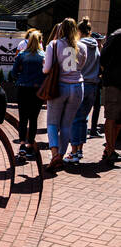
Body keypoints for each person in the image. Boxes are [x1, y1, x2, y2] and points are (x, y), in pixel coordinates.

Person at [43, 18, 88, 169]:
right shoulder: (82, 46)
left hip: (59, 87)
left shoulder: (54, 45)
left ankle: (55, 153)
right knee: (67, 124)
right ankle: (61, 155)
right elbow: (82, 66)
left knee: (52, 122)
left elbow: (46, 69)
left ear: (61, 29)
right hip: (77, 87)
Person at [68, 19, 101, 163]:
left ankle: (74, 152)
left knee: (75, 119)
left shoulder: (79, 45)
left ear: (79, 32)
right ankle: (80, 150)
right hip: (93, 86)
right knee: (83, 119)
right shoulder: (97, 46)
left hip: (81, 84)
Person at [11, 29, 46, 158]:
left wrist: (22, 74)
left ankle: (21, 144)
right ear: (40, 42)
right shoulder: (44, 56)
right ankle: (30, 145)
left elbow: (14, 73)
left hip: (23, 88)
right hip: (37, 90)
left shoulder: (21, 55)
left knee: (23, 117)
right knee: (34, 118)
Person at [102, 24, 121, 163]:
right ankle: (109, 150)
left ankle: (110, 149)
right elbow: (103, 58)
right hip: (113, 82)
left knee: (115, 118)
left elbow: (103, 59)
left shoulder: (114, 35)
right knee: (113, 117)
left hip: (113, 81)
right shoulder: (116, 36)